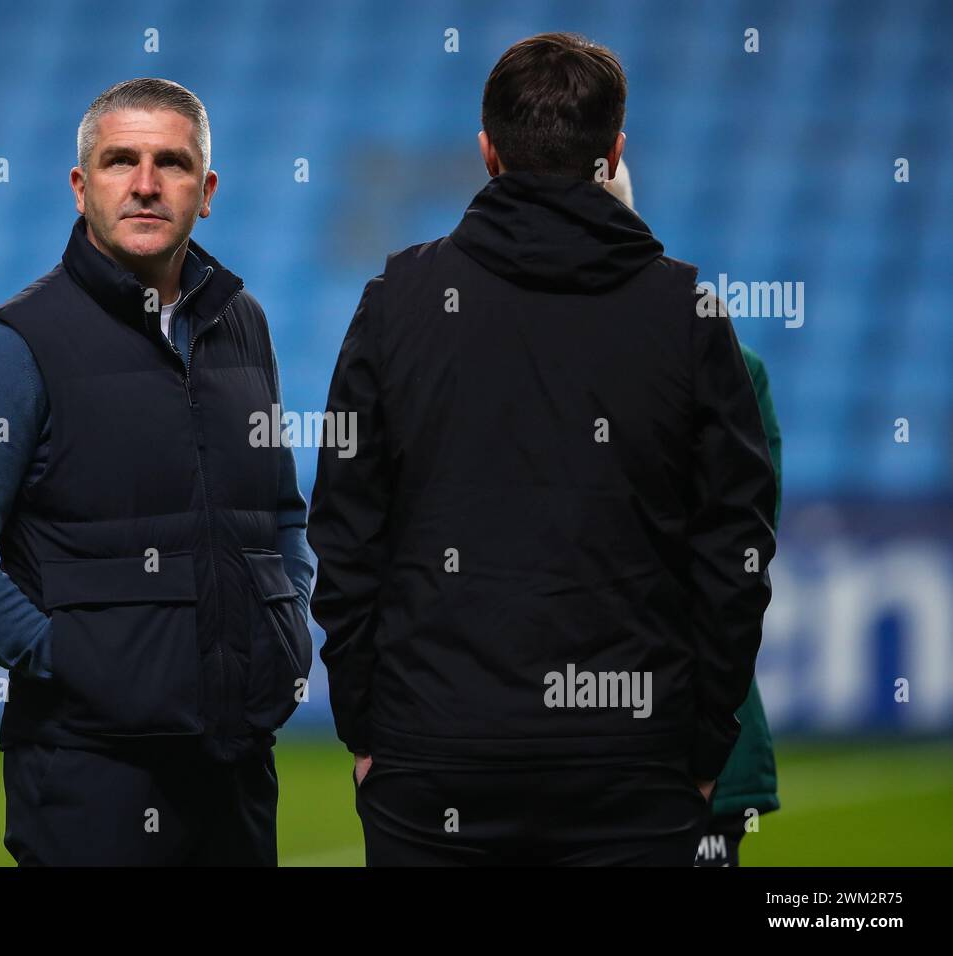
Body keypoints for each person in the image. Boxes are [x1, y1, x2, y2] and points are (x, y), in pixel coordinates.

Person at [307, 33, 777, 865]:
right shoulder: (689, 314)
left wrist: (365, 723)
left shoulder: (396, 302)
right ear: (615, 152)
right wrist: (702, 740)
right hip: (634, 763)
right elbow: (734, 551)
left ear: (486, 151)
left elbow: (345, 535)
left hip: (434, 756)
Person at [0, 77, 314, 866]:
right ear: (80, 186)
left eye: (172, 163)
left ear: (207, 192)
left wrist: (283, 624)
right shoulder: (13, 345)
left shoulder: (245, 324)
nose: (145, 183)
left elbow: (283, 511)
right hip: (89, 773)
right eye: (119, 160)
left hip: (236, 767)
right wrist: (76, 661)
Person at [604, 163, 782, 867]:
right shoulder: (728, 357)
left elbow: (737, 554)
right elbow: (739, 553)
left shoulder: (725, 359)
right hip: (683, 740)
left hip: (661, 746)